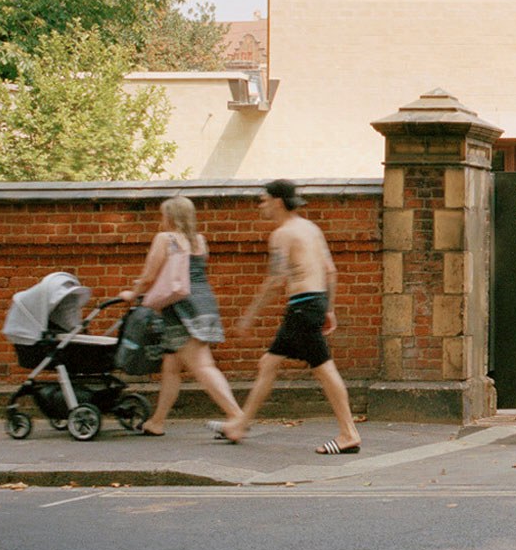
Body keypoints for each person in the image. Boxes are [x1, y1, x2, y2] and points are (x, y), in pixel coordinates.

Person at [213, 179, 361, 454]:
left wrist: (249, 316)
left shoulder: (282, 234)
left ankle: (348, 433)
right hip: (312, 303)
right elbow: (331, 271)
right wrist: (328, 308)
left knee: (324, 369)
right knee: (269, 363)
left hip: (302, 306)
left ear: (278, 201)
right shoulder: (310, 228)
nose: (261, 205)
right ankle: (240, 424)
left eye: (264, 200)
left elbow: (275, 279)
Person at [110, 196, 244, 438]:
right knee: (171, 368)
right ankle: (157, 421)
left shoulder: (166, 239)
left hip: (181, 311)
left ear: (170, 217)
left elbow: (150, 276)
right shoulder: (199, 241)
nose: (161, 219)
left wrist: (133, 293)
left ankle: (236, 417)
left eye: (163, 214)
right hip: (204, 305)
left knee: (203, 365)